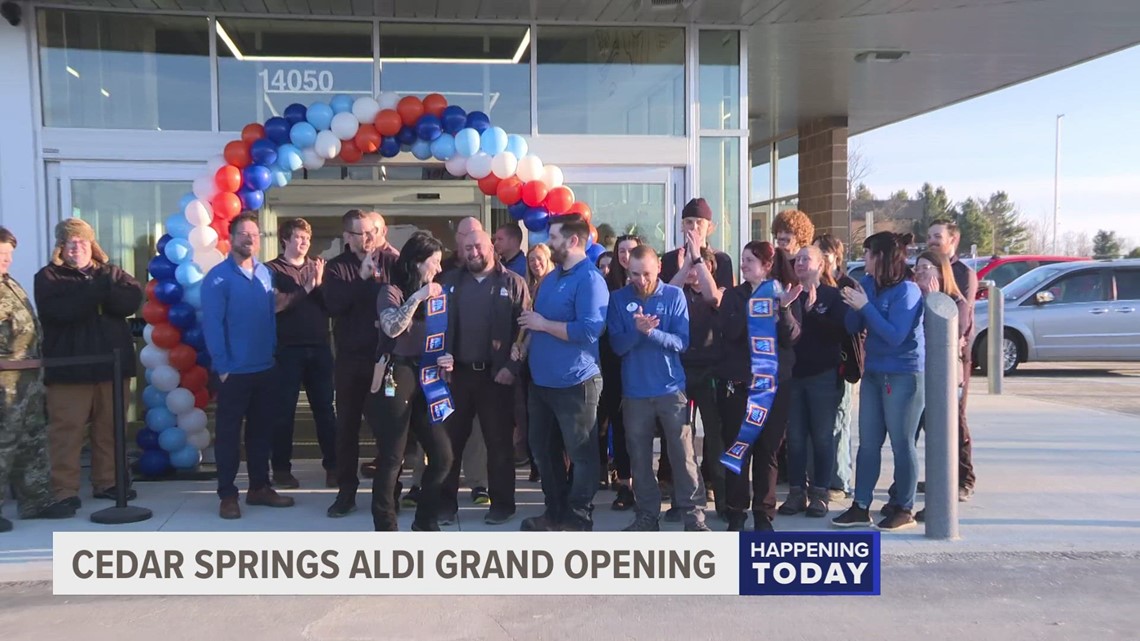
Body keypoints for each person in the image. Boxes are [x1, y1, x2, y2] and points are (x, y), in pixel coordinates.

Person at [34, 218, 143, 509]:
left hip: (112, 369)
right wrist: (100, 291)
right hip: (69, 371)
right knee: (66, 433)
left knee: (110, 430)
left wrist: (96, 292)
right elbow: (61, 311)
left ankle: (108, 482)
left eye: (82, 241)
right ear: (60, 246)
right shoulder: (48, 277)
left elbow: (131, 300)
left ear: (92, 244)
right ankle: (63, 490)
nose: (76, 247)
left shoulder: (112, 272)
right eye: (70, 242)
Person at [607, 245, 709, 532]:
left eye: (646, 274)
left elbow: (681, 342)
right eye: (634, 274)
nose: (640, 280)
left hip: (670, 389)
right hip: (635, 392)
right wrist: (637, 333)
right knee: (639, 458)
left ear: (659, 269)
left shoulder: (674, 296)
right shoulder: (618, 299)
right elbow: (617, 345)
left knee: (683, 455)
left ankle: (694, 517)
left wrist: (651, 333)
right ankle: (647, 516)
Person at [517, 214, 609, 532]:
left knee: (581, 454)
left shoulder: (590, 280)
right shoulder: (551, 278)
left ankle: (578, 517)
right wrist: (525, 344)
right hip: (542, 382)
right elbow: (536, 322)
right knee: (543, 451)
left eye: (554, 238)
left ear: (573, 241)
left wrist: (543, 324)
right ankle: (554, 512)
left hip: (575, 382)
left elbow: (590, 330)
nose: (549, 243)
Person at [201, 214, 295, 519]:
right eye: (243, 234)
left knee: (261, 433)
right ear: (231, 238)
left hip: (264, 367)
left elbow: (269, 315)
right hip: (233, 372)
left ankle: (259, 488)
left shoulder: (265, 274)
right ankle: (228, 495)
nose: (250, 239)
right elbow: (213, 326)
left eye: (254, 234)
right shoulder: (217, 278)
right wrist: (223, 366)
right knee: (228, 436)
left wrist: (272, 352)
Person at [832, 232, 925, 532]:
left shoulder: (907, 291)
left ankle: (904, 508)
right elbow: (852, 326)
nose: (865, 259)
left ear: (881, 257)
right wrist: (853, 305)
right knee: (869, 443)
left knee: (902, 443)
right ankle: (860, 506)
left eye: (868, 253)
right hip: (873, 372)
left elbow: (894, 335)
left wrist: (865, 307)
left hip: (903, 373)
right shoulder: (869, 284)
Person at [436, 230, 529, 525]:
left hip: (496, 377)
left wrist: (511, 367)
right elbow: (437, 325)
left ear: (491, 246)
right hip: (457, 377)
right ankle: (444, 505)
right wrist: (439, 359)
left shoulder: (513, 282)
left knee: (499, 445)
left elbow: (525, 330)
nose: (473, 252)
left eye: (478, 246)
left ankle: (502, 505)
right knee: (449, 445)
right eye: (467, 248)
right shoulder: (450, 282)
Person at [371, 232, 455, 531]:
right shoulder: (391, 291)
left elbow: (440, 337)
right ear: (418, 262)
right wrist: (418, 296)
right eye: (435, 262)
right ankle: (386, 526)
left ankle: (425, 520)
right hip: (397, 373)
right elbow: (392, 327)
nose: (439, 269)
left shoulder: (437, 297)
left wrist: (447, 357)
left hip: (428, 375)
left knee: (442, 456)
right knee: (393, 456)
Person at [717, 241, 801, 531]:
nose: (743, 265)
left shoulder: (784, 293)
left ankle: (764, 513)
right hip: (740, 385)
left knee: (768, 451)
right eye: (742, 259)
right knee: (738, 447)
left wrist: (784, 309)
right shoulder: (733, 295)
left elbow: (792, 337)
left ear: (766, 266)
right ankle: (736, 511)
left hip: (773, 386)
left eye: (750, 260)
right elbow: (729, 332)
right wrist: (756, 306)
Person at [0, 227, 76, 531]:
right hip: (4, 382)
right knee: (3, 442)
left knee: (32, 440)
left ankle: (36, 500)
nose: (6, 259)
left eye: (9, 254)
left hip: (27, 379)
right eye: (1, 254)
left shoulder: (9, 283)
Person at [323, 210, 398, 518]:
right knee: (347, 429)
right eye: (360, 234)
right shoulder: (336, 267)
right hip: (351, 361)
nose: (367, 239)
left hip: (384, 360)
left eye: (371, 233)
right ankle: (346, 493)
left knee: (389, 430)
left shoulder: (391, 263)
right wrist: (361, 279)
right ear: (347, 237)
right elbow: (333, 305)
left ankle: (389, 494)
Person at [899, 250, 973, 522]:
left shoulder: (955, 303)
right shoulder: (915, 299)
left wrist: (933, 301)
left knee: (943, 439)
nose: (919, 272)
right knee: (913, 437)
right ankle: (903, 495)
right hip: (918, 378)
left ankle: (946, 497)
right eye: (917, 268)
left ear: (941, 272)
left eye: (925, 268)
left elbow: (946, 337)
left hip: (943, 383)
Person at [778, 245, 849, 519]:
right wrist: (787, 307)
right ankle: (796, 492)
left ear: (821, 265)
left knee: (822, 437)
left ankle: (820, 493)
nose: (800, 263)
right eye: (797, 259)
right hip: (793, 376)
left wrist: (814, 314)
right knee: (795, 438)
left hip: (823, 376)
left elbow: (840, 333)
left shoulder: (833, 296)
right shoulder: (787, 294)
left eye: (806, 259)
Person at [266, 218, 336, 489]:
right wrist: (307, 287)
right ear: (285, 239)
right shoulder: (272, 269)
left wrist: (320, 284)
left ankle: (334, 466)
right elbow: (276, 304)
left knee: (325, 410)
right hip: (287, 350)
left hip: (319, 347)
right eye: (298, 237)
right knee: (283, 411)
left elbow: (333, 306)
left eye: (307, 237)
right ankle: (281, 470)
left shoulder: (317, 266)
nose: (304, 242)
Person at [671, 244, 726, 517]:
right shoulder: (678, 294)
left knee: (716, 439)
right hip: (681, 371)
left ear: (708, 267)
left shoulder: (719, 291)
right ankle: (685, 501)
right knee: (681, 438)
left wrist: (697, 259)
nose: (692, 270)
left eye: (697, 265)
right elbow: (667, 292)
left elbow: (714, 297)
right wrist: (684, 267)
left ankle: (725, 502)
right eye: (689, 265)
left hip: (710, 372)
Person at [926, 219, 978, 500]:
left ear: (953, 240)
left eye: (938, 236)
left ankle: (964, 478)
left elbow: (962, 316)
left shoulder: (963, 273)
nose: (932, 241)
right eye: (930, 236)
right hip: (928, 357)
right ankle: (940, 474)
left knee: (955, 419)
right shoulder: (924, 269)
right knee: (931, 420)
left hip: (954, 357)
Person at [815, 234, 862, 501]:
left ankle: (840, 481)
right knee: (821, 425)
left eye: (825, 254)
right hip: (817, 363)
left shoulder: (847, 285)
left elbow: (854, 326)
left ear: (836, 256)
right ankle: (819, 478)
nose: (821, 259)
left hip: (843, 363)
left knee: (839, 421)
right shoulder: (813, 284)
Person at [599, 234, 641, 509]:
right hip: (613, 364)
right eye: (621, 251)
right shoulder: (606, 285)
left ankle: (646, 481)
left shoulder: (649, 284)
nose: (626, 256)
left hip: (643, 366)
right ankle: (625, 483)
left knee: (641, 427)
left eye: (632, 251)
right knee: (618, 424)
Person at [662, 198, 735, 289]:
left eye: (699, 222)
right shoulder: (670, 259)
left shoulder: (721, 260)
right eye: (689, 222)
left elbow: (723, 296)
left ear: (709, 226)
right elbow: (665, 295)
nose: (694, 227)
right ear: (683, 226)